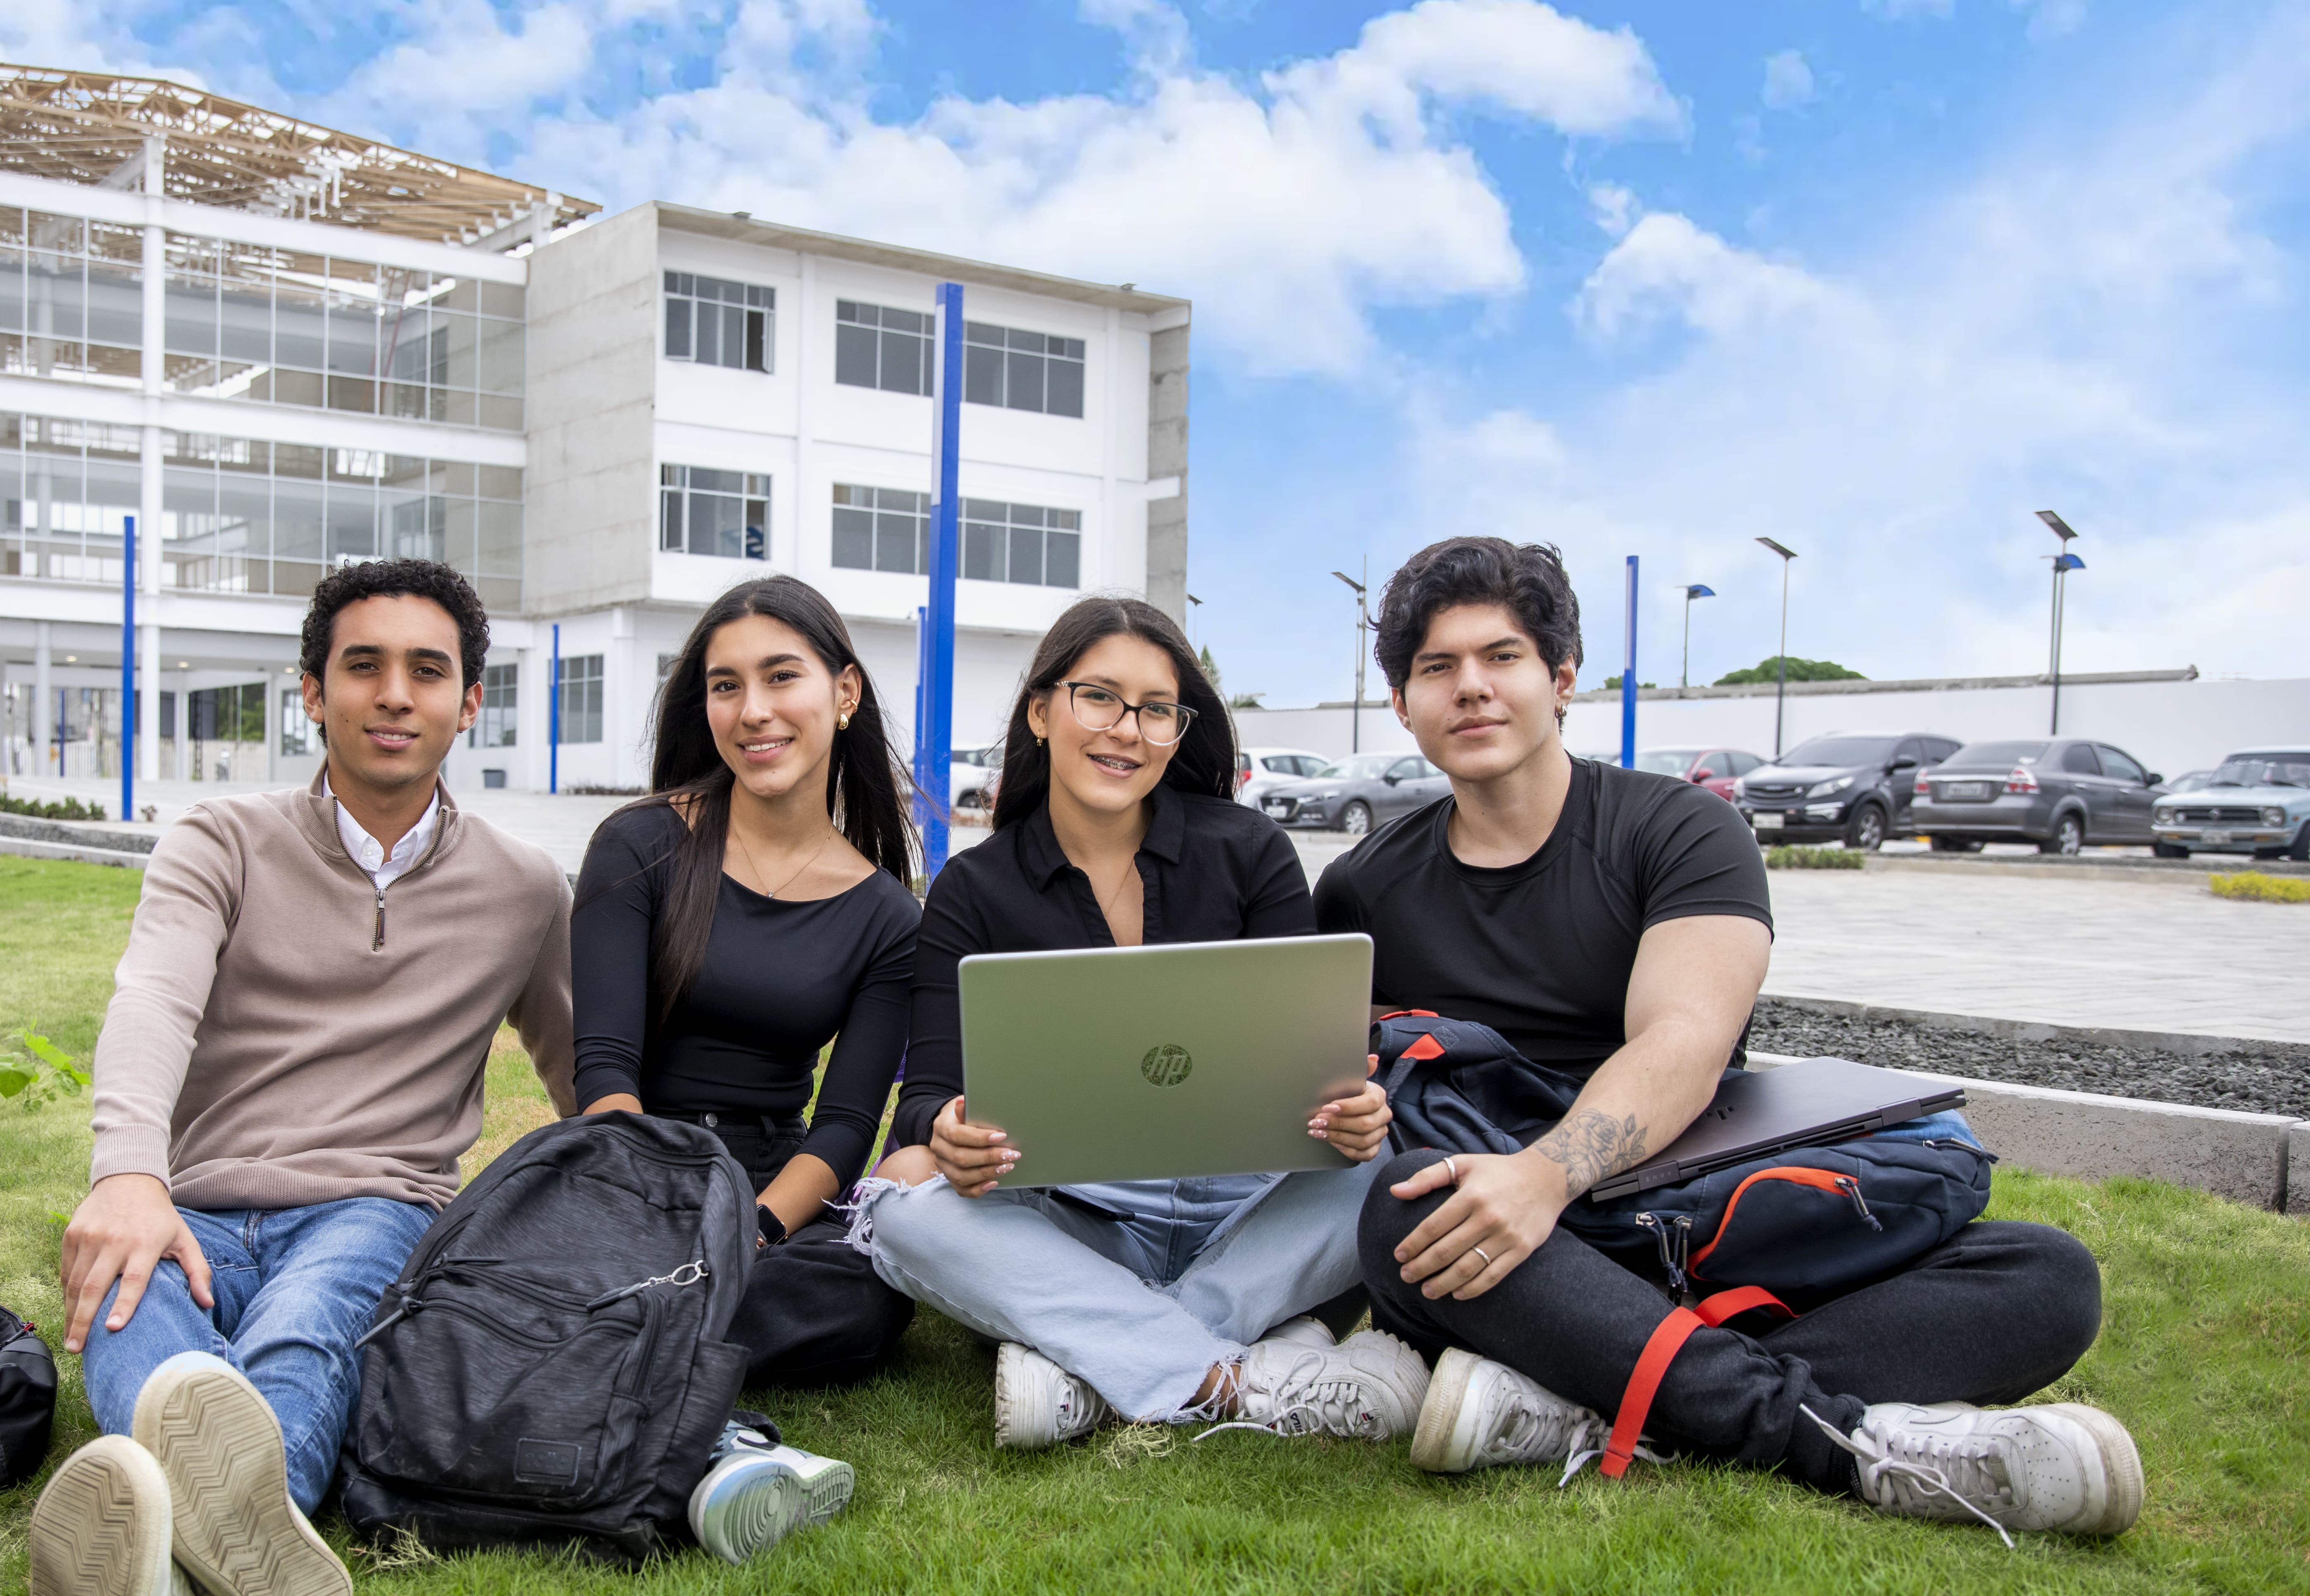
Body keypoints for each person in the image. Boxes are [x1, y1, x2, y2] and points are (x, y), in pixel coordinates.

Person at [0, 562, 788, 1596]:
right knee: (126, 1304)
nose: (394, 694)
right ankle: (198, 1589)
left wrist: (674, 1204)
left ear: (469, 705)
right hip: (190, 1203)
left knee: (307, 1336)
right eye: (364, 666)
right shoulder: (221, 840)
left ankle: (156, 1585)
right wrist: (129, 1178)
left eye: (429, 671)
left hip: (377, 1203)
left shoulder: (519, 887)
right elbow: (151, 1003)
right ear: (312, 692)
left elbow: (586, 1077)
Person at [1315, 536, 2141, 1539]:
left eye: (1502, 657)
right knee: (1404, 1218)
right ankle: (1848, 1447)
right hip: (1525, 1257)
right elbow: (1346, 1090)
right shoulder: (1361, 888)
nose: (1472, 689)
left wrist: (1547, 1173)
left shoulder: (1681, 829)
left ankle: (1584, 1401)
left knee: (2046, 1276)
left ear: (1562, 678)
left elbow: (1686, 1039)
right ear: (1403, 703)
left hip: (1690, 1209)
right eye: (1437, 668)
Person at [859, 597, 1430, 1450]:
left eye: (1155, 709)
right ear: (1042, 710)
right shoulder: (975, 889)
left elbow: (1319, 1066)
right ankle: (1226, 1378)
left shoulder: (1250, 849)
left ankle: (1095, 1360)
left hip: (1251, 1201)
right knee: (903, 1198)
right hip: (1074, 1210)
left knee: (1387, 1168)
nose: (1127, 729)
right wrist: (945, 1129)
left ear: (1176, 730)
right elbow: (927, 1099)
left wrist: (1354, 1115)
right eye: (1099, 697)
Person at [573, 576, 920, 1401]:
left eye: (780, 676)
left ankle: (617, 1341)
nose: (753, 709)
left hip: (769, 1184)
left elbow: (842, 1128)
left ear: (844, 692)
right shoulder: (640, 843)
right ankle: (648, 1332)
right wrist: (656, 1199)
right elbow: (603, 1070)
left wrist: (753, 1229)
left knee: (868, 1294)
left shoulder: (889, 915)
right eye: (726, 686)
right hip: (628, 1162)